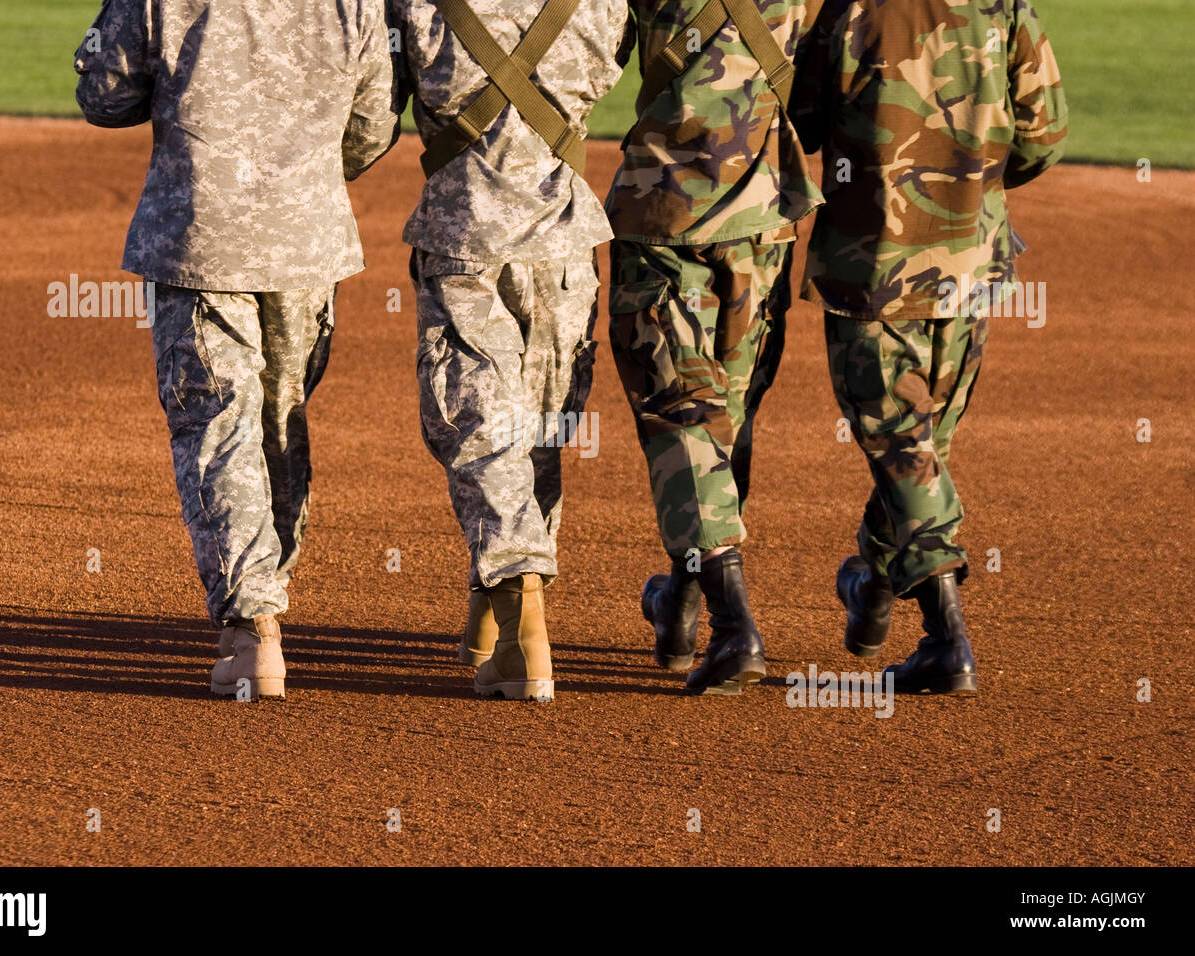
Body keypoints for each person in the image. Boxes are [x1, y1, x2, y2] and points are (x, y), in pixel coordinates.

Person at [75, 0, 400, 699]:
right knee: (278, 420)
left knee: (218, 424)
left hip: (201, 234)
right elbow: (373, 125)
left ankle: (253, 625)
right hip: (308, 242)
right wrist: (300, 180)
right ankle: (258, 608)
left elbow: (104, 94)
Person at [789, 0, 1067, 694]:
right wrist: (975, 185)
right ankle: (875, 582)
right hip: (970, 260)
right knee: (919, 444)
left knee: (901, 445)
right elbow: (1044, 133)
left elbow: (804, 123)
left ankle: (947, 639)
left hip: (871, 261)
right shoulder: (1003, 5)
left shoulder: (845, 6)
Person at [388, 0, 633, 701]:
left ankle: (521, 607)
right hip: (563, 240)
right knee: (536, 433)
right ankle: (492, 605)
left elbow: (373, 114)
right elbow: (606, 72)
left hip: (463, 232)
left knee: (478, 425)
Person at [605, 0, 823, 694]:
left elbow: (586, 58)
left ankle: (733, 626)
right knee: (724, 416)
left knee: (681, 412)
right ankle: (683, 606)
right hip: (764, 218)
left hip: (666, 208)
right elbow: (822, 81)